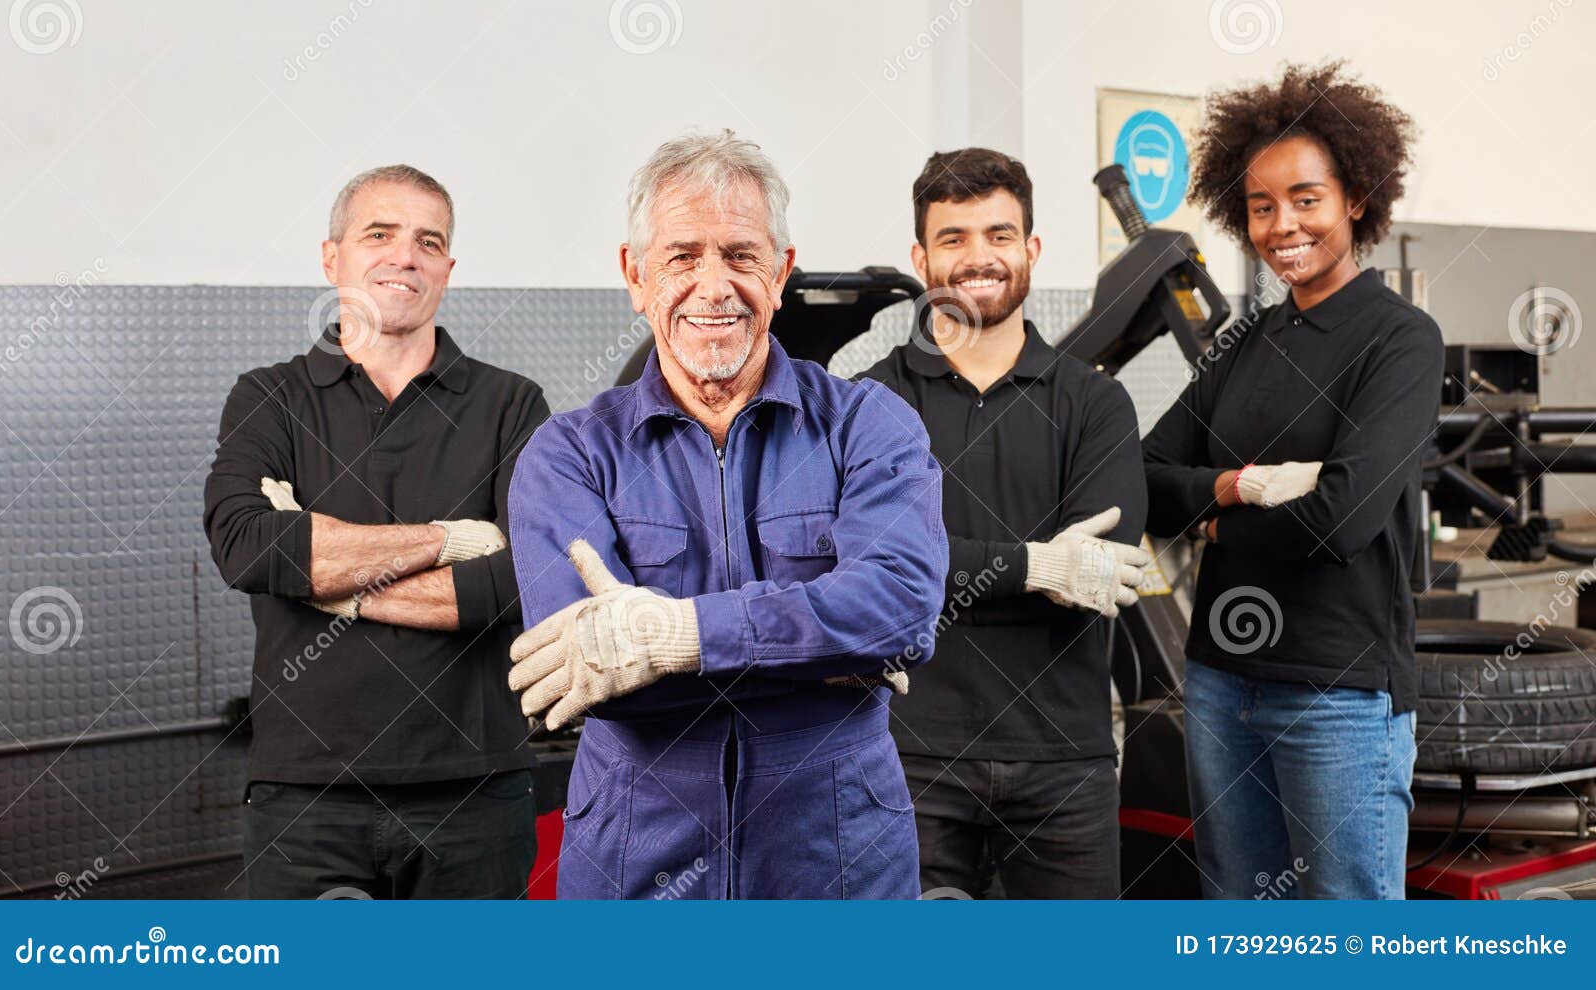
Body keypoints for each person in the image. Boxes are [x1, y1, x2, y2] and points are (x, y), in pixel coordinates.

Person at [506, 130, 948, 900]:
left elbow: (903, 607)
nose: (714, 286)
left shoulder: (868, 424)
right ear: (635, 276)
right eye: (682, 256)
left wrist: (676, 635)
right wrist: (832, 650)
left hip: (836, 861)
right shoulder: (568, 454)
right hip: (638, 863)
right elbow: (590, 675)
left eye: (741, 255)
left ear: (780, 274)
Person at [203, 165, 548, 899]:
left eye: (429, 242)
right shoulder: (270, 396)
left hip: (476, 792)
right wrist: (456, 539)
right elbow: (249, 546)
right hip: (306, 798)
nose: (405, 256)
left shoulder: (510, 404)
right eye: (380, 234)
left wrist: (328, 580)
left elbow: (523, 578)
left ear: (447, 270)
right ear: (334, 258)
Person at [1141, 62, 1443, 899]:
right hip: (1219, 679)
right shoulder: (1243, 342)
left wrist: (1202, 514)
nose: (1283, 225)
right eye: (1262, 206)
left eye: (1306, 199)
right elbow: (1147, 476)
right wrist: (1238, 488)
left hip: (1337, 693)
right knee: (1243, 924)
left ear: (1355, 198)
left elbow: (1341, 521)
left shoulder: (1401, 341)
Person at [860, 148, 1149, 898]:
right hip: (907, 756)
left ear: (1032, 249)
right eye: (953, 238)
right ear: (922, 258)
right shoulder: (869, 404)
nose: (977, 257)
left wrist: (938, 565)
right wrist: (1040, 567)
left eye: (998, 234)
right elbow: (871, 562)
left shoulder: (1094, 404)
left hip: (1064, 764)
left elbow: (1104, 568)